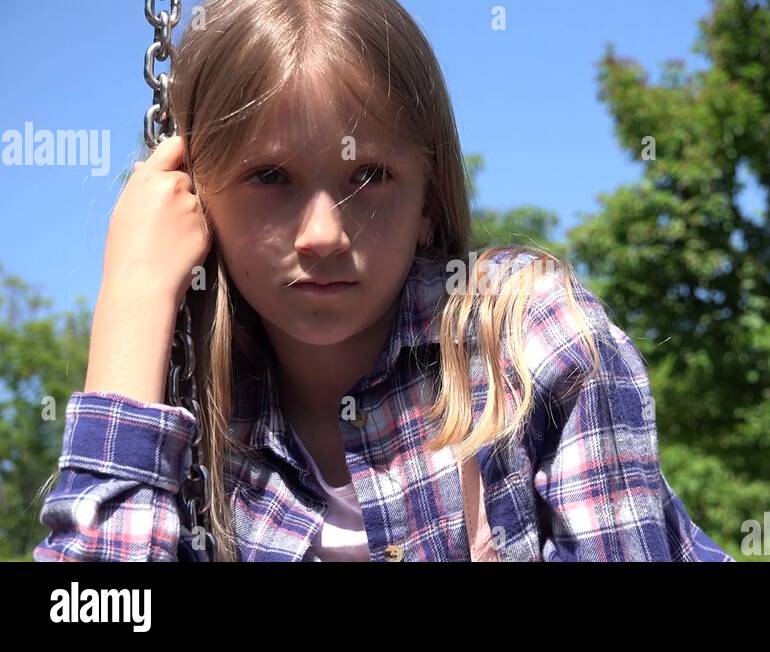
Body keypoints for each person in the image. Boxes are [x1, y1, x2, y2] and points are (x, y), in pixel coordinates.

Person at [33, 0, 732, 562]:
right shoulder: (198, 414)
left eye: (367, 176)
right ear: (195, 198)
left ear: (427, 201)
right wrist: (132, 301)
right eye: (269, 177)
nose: (323, 235)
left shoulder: (531, 343)